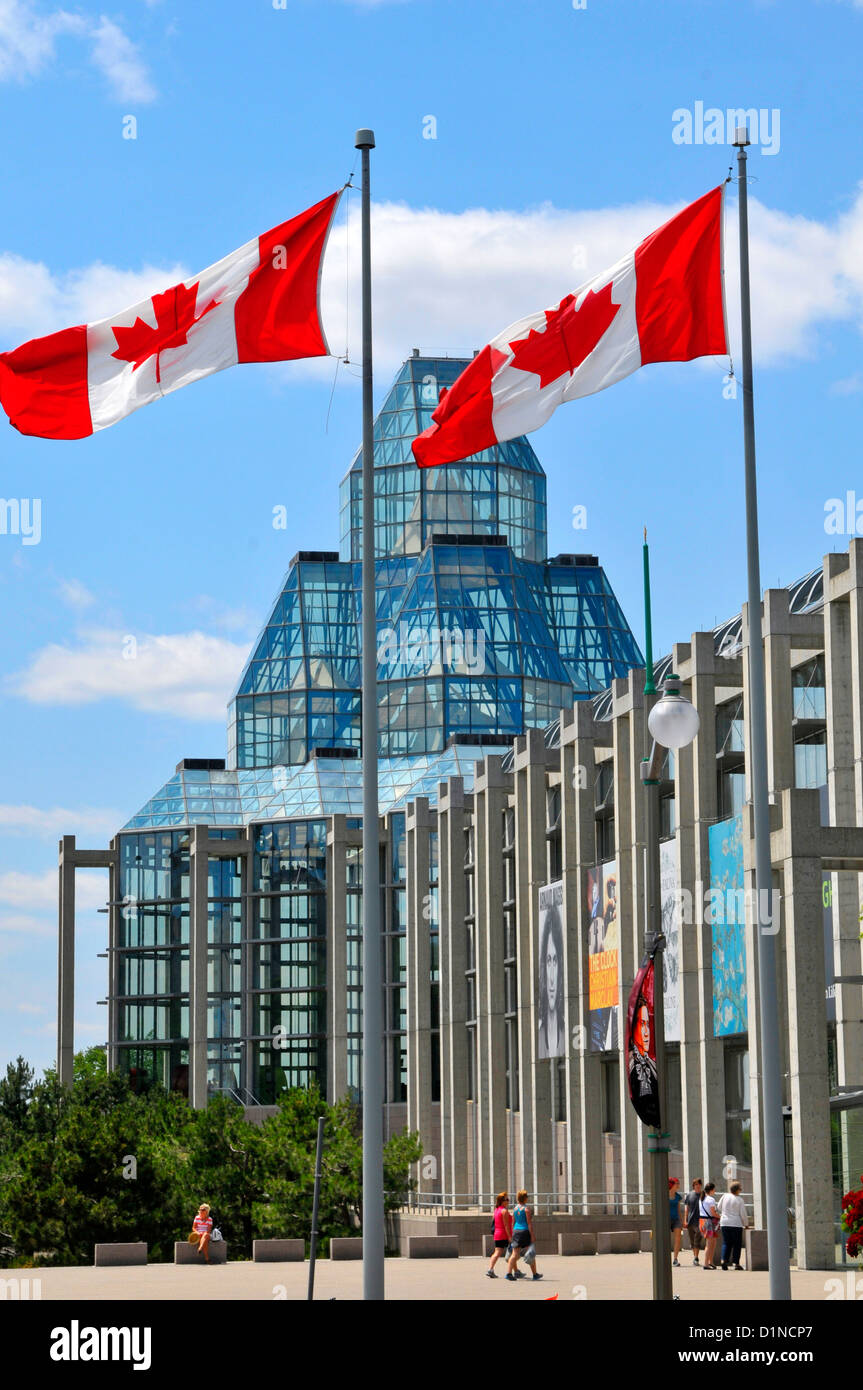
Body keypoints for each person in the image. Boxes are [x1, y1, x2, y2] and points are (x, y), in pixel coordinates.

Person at [538, 903, 564, 1058]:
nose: (552, 976)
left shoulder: (570, 1034)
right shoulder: (539, 1037)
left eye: (555, 960)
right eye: (548, 961)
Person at [505, 1190, 542, 1281]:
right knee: (531, 1252)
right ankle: (535, 1274)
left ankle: (509, 1273)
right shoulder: (526, 1209)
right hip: (525, 1232)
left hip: (516, 1231)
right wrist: (532, 1235)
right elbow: (529, 1223)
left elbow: (513, 1222)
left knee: (514, 1254)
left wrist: (513, 1233)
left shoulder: (515, 1209)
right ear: (525, 1198)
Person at [718, 1181, 748, 1270]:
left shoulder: (724, 1196)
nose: (741, 1190)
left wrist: (724, 1213)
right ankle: (736, 1263)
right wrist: (746, 1224)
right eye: (740, 1189)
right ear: (737, 1190)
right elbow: (743, 1213)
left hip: (724, 1223)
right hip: (736, 1224)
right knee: (737, 1244)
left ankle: (724, 1260)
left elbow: (719, 1207)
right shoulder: (739, 1200)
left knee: (726, 1242)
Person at [487, 1192, 512, 1278]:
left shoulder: (496, 1210)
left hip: (497, 1234)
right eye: (507, 1199)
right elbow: (506, 1225)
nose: (508, 1201)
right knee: (513, 1253)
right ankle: (515, 1271)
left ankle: (490, 1269)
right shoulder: (504, 1211)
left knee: (497, 1252)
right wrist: (509, 1236)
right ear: (502, 1201)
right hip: (503, 1234)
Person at [699, 1182, 720, 1270]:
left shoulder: (701, 1198)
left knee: (712, 1242)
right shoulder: (711, 1199)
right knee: (709, 1243)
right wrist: (721, 1216)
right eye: (714, 1189)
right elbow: (713, 1213)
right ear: (711, 1190)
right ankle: (706, 1264)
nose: (715, 1191)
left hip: (702, 1221)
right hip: (709, 1222)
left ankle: (711, 1262)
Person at [684, 1178, 704, 1266]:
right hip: (690, 1221)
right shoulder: (689, 1195)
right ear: (693, 1186)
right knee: (692, 1241)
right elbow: (687, 1209)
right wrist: (685, 1220)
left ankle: (696, 1257)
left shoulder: (704, 1195)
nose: (698, 1186)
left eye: (699, 1184)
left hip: (701, 1221)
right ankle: (695, 1257)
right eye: (696, 1184)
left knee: (697, 1239)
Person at [669, 1177, 684, 1267]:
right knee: (665, 1240)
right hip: (666, 1220)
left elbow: (679, 1209)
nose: (678, 1185)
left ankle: (675, 1259)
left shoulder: (678, 1196)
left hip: (676, 1219)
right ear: (672, 1184)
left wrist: (681, 1221)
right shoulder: (664, 1194)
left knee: (678, 1238)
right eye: (676, 1183)